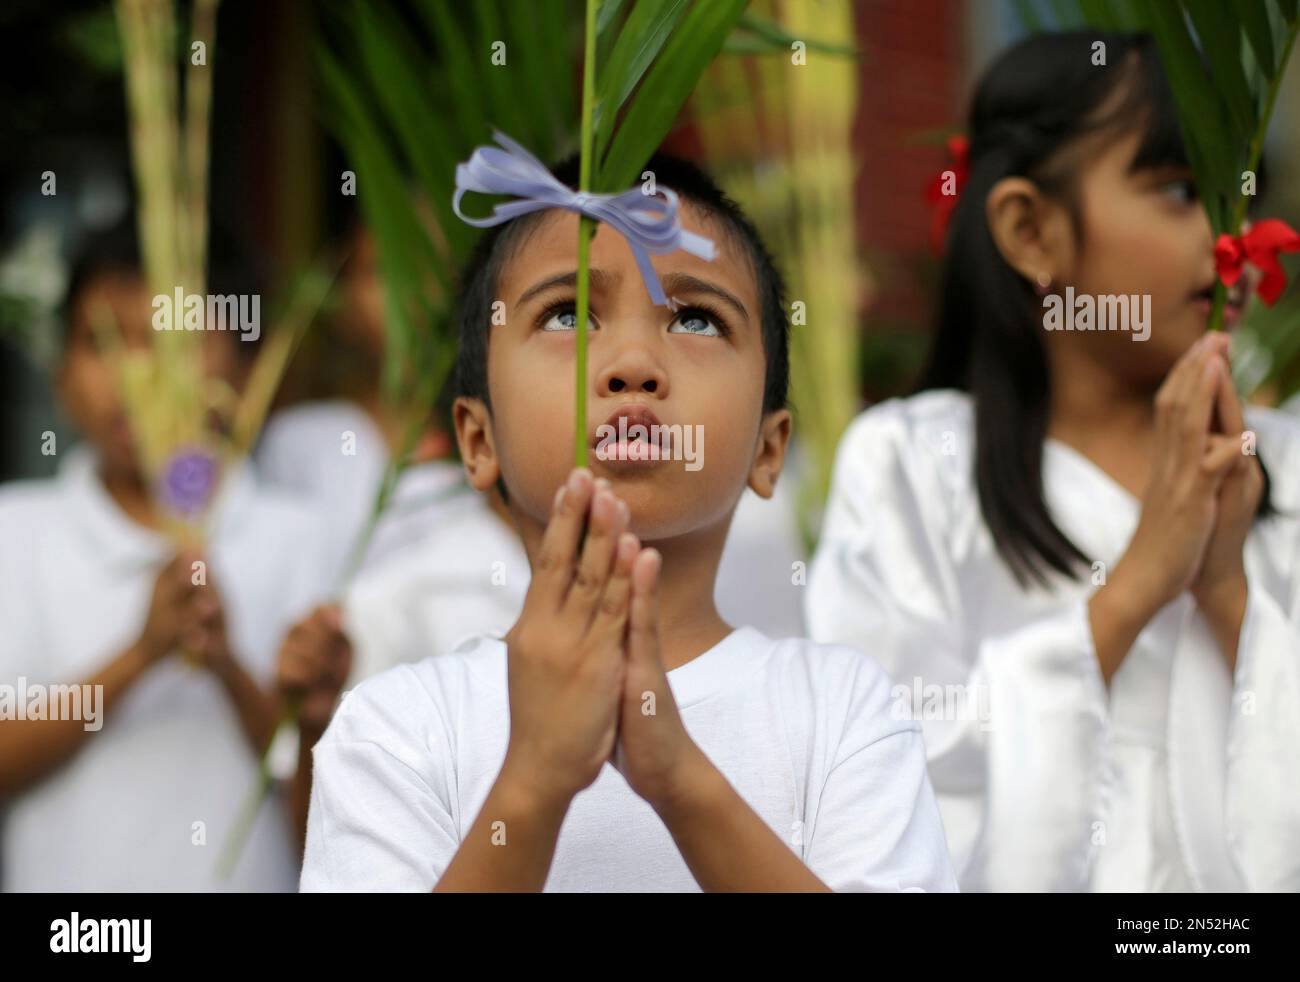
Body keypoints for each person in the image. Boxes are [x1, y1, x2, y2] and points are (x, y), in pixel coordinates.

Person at [297, 153, 956, 891]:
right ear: (478, 442)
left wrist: (680, 779)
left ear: (769, 450)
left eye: (698, 319)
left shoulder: (843, 711)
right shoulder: (395, 731)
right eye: (569, 314)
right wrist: (533, 780)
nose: (635, 364)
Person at [807, 32, 1300, 892]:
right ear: (1030, 230)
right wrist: (1139, 584)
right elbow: (883, 773)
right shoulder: (916, 467)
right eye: (1183, 190)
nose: (1229, 239)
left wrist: (1226, 592)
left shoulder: (1283, 463)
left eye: (1235, 195)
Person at [0, 223, 329, 890]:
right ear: (62, 371)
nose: (137, 373)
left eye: (173, 339)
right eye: (106, 342)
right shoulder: (15, 531)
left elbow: (332, 791)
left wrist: (230, 666)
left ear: (244, 364)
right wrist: (141, 653)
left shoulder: (302, 538)